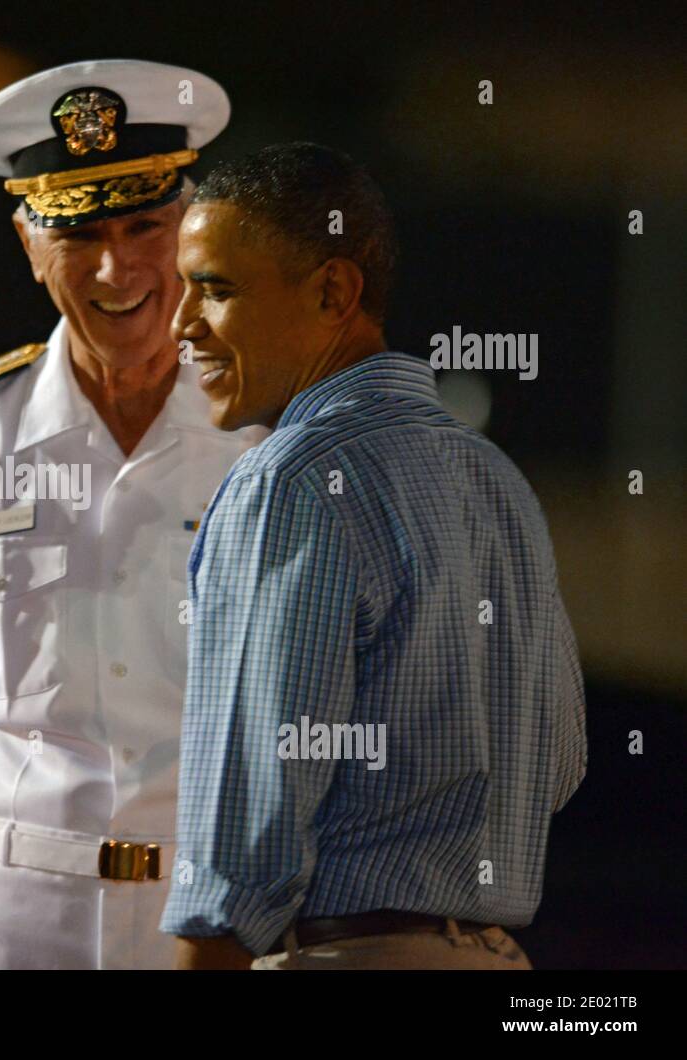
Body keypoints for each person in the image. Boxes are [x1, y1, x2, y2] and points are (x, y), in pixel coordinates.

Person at [0, 60, 264, 969]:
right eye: (78, 234)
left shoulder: (268, 436)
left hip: (217, 918)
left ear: (192, 230)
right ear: (29, 244)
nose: (118, 267)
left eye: (145, 224)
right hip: (5, 915)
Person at [160, 143, 588, 970]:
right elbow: (558, 757)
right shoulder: (495, 476)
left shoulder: (288, 478)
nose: (183, 322)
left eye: (215, 288)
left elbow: (252, 814)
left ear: (333, 291)